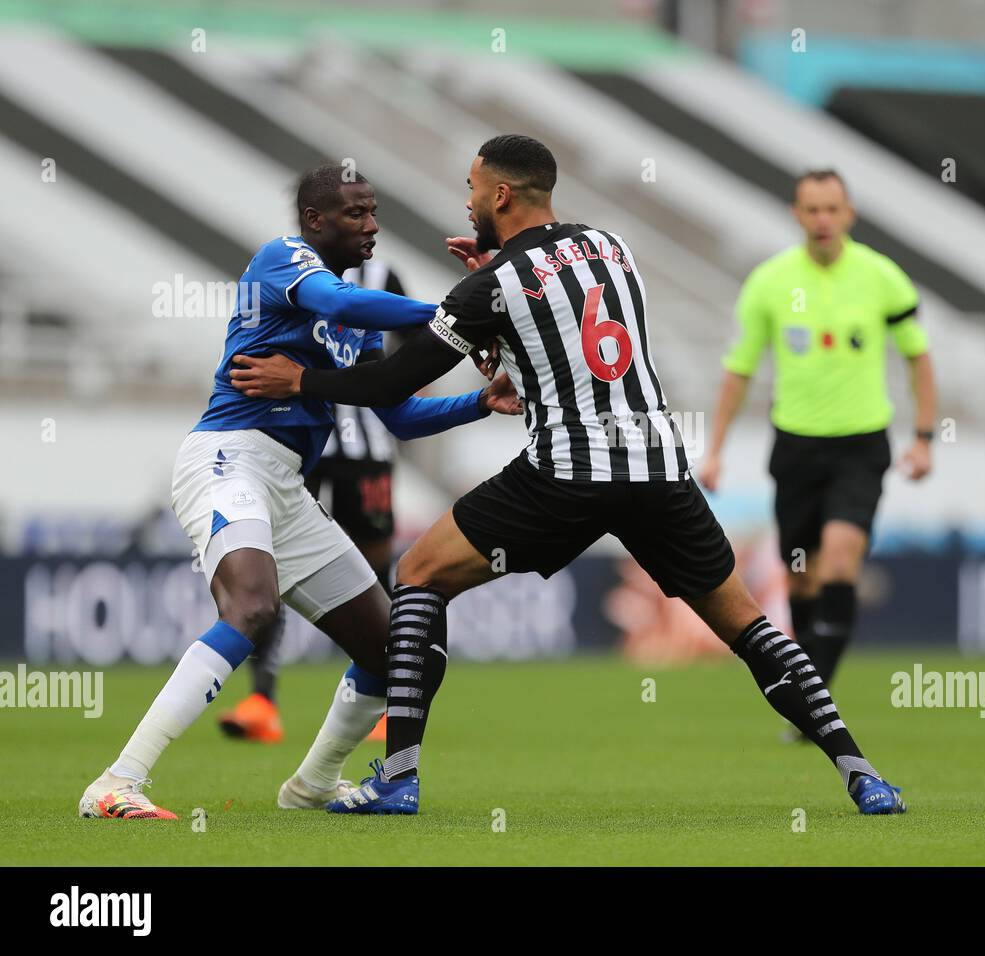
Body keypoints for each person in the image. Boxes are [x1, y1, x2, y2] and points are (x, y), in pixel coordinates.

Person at [230, 136, 907, 816]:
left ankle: (398, 778)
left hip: (564, 473)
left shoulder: (488, 287)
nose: (466, 202)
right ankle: (862, 774)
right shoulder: (613, 247)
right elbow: (557, 312)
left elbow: (391, 381)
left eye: (472, 188)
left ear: (499, 194)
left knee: (417, 577)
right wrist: (489, 281)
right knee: (751, 630)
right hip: (657, 471)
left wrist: (302, 377)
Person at [78, 165, 520, 820]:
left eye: (373, 212)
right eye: (354, 214)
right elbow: (339, 305)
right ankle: (116, 782)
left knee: (392, 650)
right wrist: (452, 313)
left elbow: (395, 415)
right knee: (251, 609)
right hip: (227, 459)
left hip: (282, 484)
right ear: (315, 220)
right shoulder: (283, 259)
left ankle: (312, 785)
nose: (371, 226)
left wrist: (479, 403)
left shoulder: (360, 326)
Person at [698, 170, 936, 725]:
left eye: (832, 208)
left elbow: (918, 358)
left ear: (849, 213)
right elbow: (738, 371)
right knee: (801, 575)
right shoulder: (770, 283)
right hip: (796, 447)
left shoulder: (883, 278)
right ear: (797, 215)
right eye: (812, 210)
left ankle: (812, 703)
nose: (823, 220)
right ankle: (814, 693)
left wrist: (924, 437)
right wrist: (715, 450)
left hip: (861, 445)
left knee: (839, 561)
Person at [216, 260, 412, 746]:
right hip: (302, 442)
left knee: (374, 570)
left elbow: (415, 338)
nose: (364, 226)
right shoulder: (289, 272)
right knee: (270, 567)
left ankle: (388, 700)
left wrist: (397, 386)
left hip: (367, 449)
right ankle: (262, 701)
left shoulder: (384, 276)